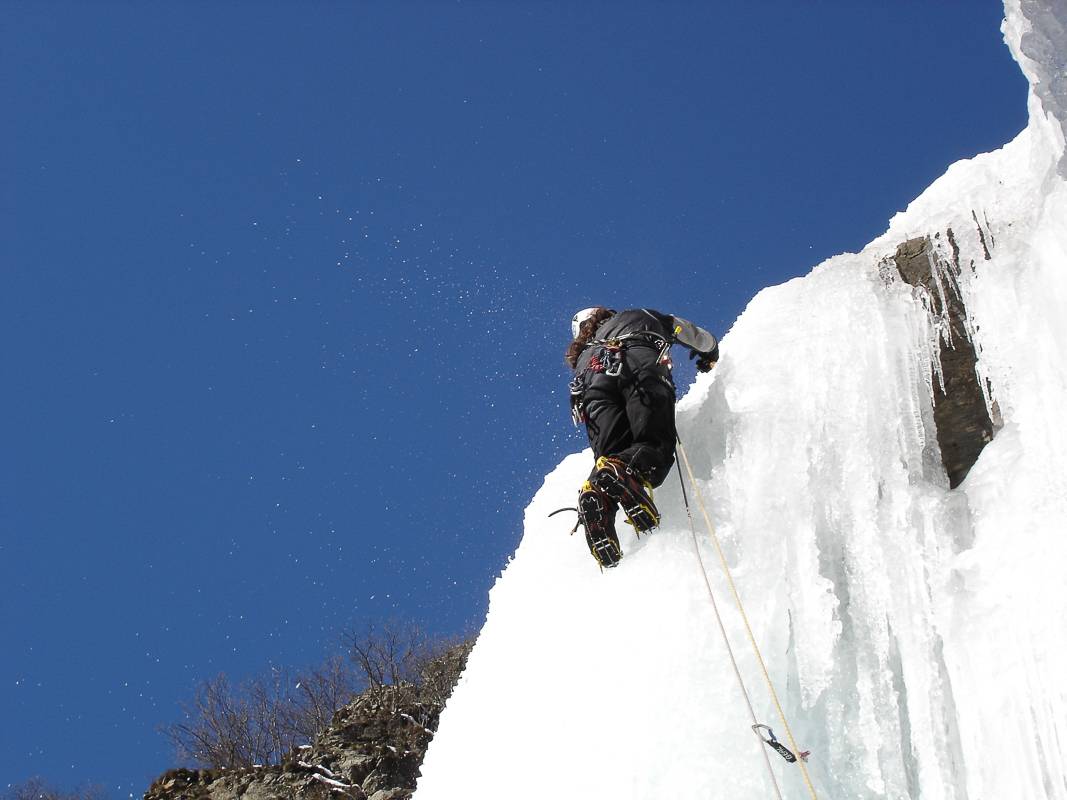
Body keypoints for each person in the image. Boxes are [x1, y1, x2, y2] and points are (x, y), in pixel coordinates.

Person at [565, 307, 718, 568]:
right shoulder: (641, 315)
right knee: (653, 446)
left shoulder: (583, 354)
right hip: (639, 364)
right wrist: (710, 352)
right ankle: (619, 475)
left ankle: (598, 505)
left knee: (609, 461)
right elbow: (688, 331)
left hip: (590, 389)